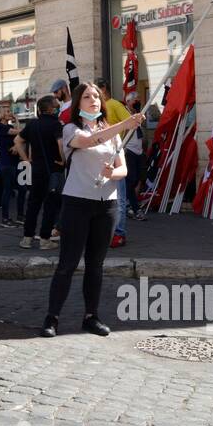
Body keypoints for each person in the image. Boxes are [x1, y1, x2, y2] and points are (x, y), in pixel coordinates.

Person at [40, 82, 145, 337]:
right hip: (77, 203)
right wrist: (126, 123)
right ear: (78, 103)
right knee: (67, 263)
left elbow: (124, 170)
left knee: (95, 265)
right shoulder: (70, 129)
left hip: (106, 206)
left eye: (96, 96)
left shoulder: (112, 132)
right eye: (87, 97)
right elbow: (88, 141)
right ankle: (52, 317)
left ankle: (91, 316)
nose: (94, 100)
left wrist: (113, 172)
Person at [16, 95, 65, 250]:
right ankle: (45, 239)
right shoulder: (56, 124)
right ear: (50, 108)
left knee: (33, 204)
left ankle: (27, 238)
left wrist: (26, 159)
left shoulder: (32, 124)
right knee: (50, 205)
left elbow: (17, 141)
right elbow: (60, 143)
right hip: (53, 170)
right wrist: (63, 160)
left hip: (35, 169)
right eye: (56, 105)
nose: (58, 107)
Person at [94, 78, 133, 248]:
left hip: (115, 156)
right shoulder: (98, 108)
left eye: (97, 92)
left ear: (104, 89)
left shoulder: (115, 104)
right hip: (100, 157)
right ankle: (107, 231)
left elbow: (131, 123)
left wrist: (119, 141)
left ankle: (119, 233)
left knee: (120, 198)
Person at [0, 100, 23, 226]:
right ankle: (5, 218)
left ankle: (20, 216)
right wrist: (17, 122)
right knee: (8, 189)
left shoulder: (9, 127)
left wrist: (17, 146)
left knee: (22, 188)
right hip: (6, 162)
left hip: (15, 161)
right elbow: (20, 133)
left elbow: (21, 138)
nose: (11, 113)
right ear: (1, 114)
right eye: (8, 111)